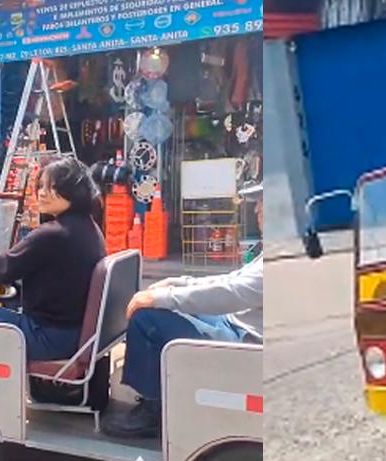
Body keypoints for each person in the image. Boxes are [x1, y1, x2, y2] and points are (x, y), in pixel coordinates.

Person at [100, 185, 264, 439]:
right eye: (259, 203)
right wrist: (176, 283)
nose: (258, 210)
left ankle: (152, 412)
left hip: (245, 343)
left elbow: (230, 293)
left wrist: (163, 298)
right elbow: (229, 280)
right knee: (156, 306)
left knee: (147, 319)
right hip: (234, 326)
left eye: (264, 203)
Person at [0, 157, 106, 361]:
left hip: (49, 338)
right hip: (73, 334)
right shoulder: (89, 228)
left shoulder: (53, 234)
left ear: (74, 192)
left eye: (52, 188)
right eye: (41, 186)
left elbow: (3, 266)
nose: (42, 193)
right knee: (9, 302)